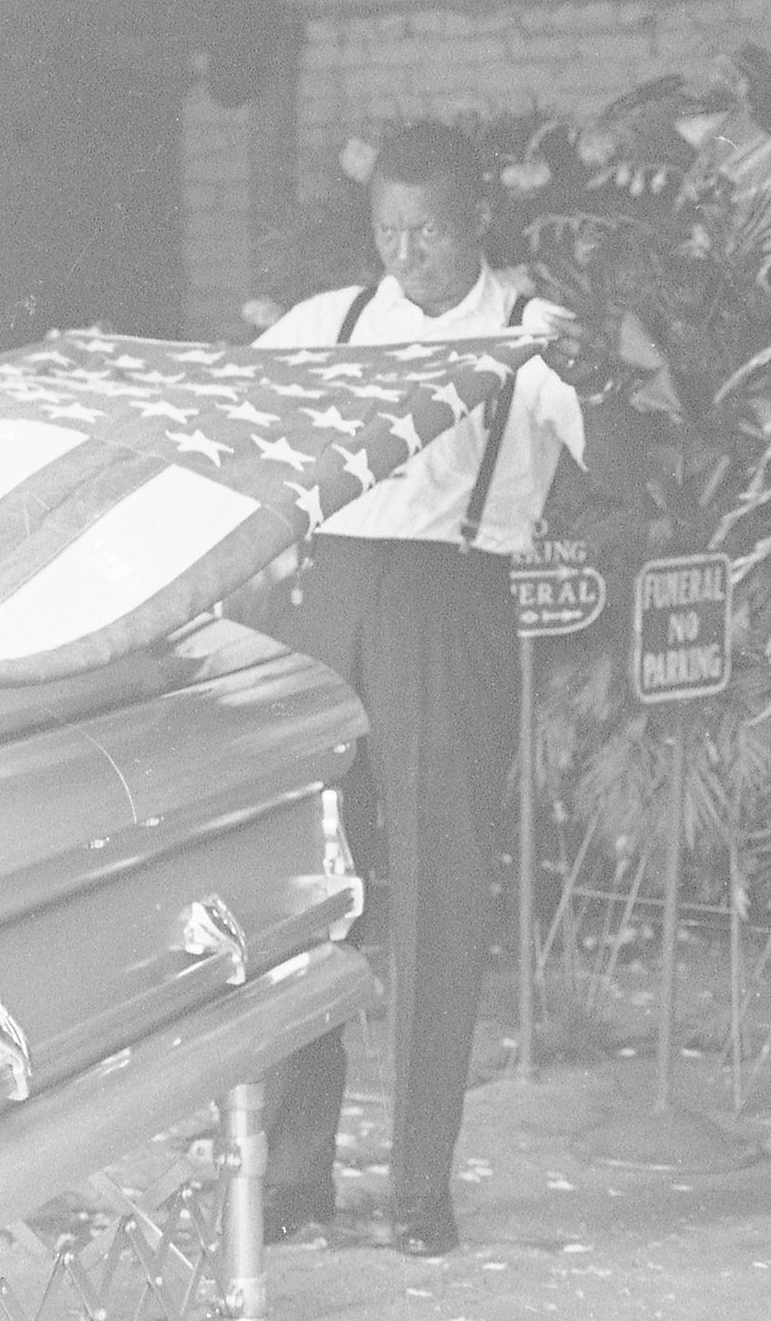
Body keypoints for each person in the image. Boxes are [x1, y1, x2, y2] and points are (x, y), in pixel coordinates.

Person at [252, 121, 604, 1257]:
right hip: (327, 603)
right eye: (389, 233)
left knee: (439, 888)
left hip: (449, 606)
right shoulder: (332, 324)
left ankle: (417, 1189)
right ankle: (295, 1178)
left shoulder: (530, 332)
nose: (406, 257)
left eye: (430, 233)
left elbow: (617, 462)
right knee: (310, 890)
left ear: (477, 223)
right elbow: (248, 427)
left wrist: (600, 378)